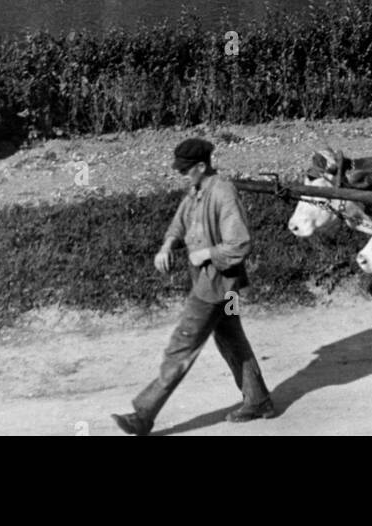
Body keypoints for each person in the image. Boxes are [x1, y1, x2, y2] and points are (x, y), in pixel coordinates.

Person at [112, 137, 275, 436]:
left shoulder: (223, 193)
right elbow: (180, 221)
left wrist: (207, 254)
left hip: (216, 285)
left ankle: (143, 415)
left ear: (202, 166)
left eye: (186, 170)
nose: (181, 174)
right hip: (219, 286)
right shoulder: (196, 190)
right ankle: (259, 400)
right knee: (231, 338)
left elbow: (240, 243)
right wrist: (167, 244)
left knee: (181, 345)